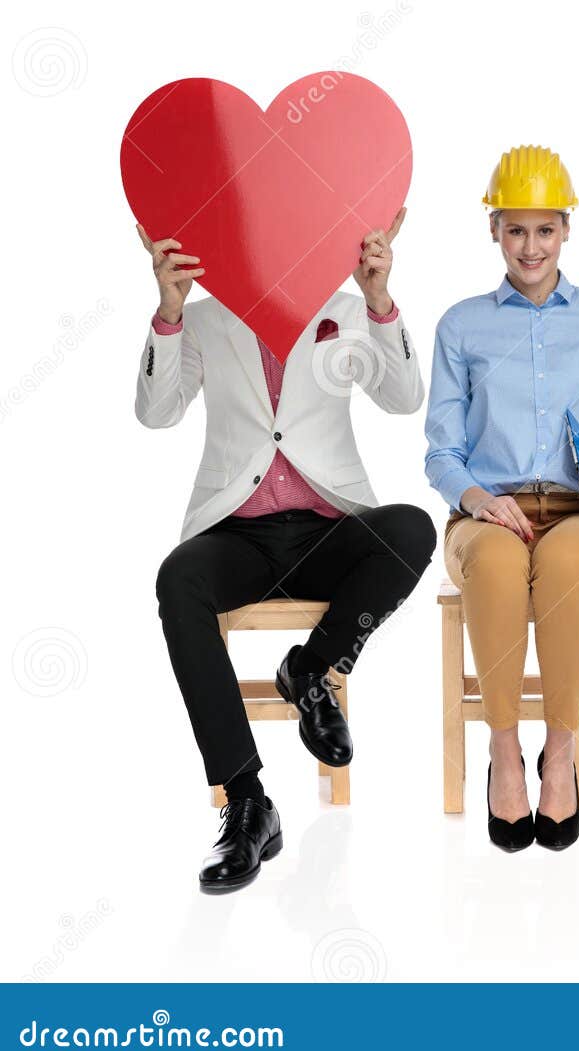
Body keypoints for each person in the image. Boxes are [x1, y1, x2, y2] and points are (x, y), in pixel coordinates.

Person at [138, 208, 434, 894]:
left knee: (412, 528)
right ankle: (247, 803)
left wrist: (379, 299)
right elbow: (156, 412)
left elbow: (404, 399)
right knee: (178, 579)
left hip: (328, 528)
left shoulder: (345, 312)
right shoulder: (204, 319)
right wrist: (170, 311)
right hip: (235, 534)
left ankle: (310, 669)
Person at [425, 145, 579, 852]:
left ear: (567, 229)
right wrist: (476, 499)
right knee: (495, 562)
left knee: (569, 560)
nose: (530, 247)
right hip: (485, 511)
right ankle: (504, 751)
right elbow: (440, 450)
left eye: (545, 229)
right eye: (515, 229)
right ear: (493, 228)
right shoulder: (461, 325)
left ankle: (560, 750)